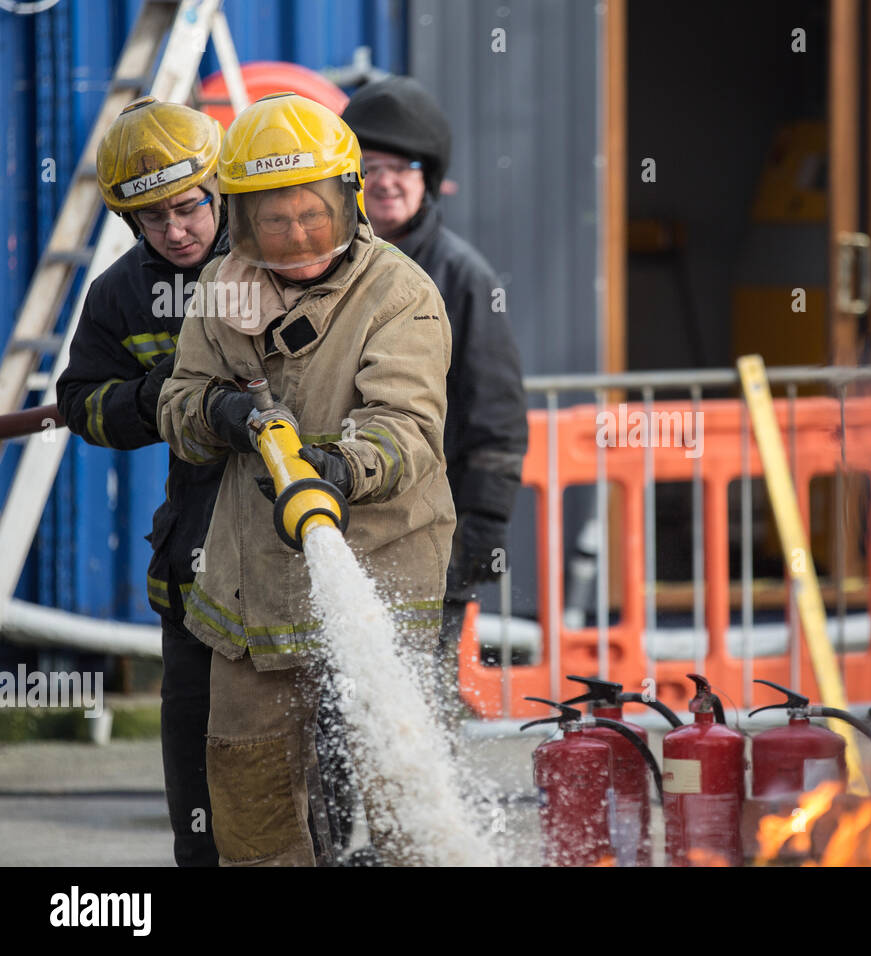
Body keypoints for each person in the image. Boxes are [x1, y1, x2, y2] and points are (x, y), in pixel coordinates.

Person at [157, 92, 455, 866]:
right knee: (248, 791)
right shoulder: (223, 286)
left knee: (400, 793)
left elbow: (407, 428)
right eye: (273, 219)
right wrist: (217, 415)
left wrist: (336, 469)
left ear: (349, 202)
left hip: (378, 566)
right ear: (243, 218)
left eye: (311, 214)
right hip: (249, 586)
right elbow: (178, 401)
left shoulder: (400, 295)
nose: (294, 235)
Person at [55, 96, 227, 868]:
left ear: (220, 190)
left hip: (297, 558)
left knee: (300, 797)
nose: (176, 230)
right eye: (152, 218)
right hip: (191, 574)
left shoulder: (285, 264)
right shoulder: (122, 293)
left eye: (188, 207)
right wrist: (148, 398)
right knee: (197, 803)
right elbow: (80, 402)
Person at [342, 77, 527, 683]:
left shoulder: (463, 276)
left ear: (430, 177)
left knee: (417, 701)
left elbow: (497, 419)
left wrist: (480, 533)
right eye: (372, 165)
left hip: (430, 535)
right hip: (336, 528)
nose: (388, 180)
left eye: (405, 165)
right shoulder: (319, 269)